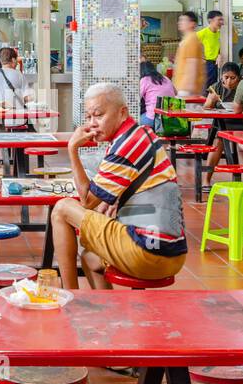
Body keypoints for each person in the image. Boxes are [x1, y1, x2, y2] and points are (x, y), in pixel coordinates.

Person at [50, 83, 186, 291]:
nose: (93, 124)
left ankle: (70, 297)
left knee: (61, 209)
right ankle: (106, 311)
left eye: (99, 115)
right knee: (91, 257)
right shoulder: (143, 134)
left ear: (122, 113)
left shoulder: (125, 146)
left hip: (148, 252)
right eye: (88, 118)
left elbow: (86, 201)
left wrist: (72, 149)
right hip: (173, 253)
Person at [0, 46, 33, 128]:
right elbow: (28, 98)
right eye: (16, 60)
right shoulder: (19, 74)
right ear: (13, 60)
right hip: (17, 119)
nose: (17, 62)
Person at [172, 11, 205, 96]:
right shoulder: (187, 39)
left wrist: (188, 89)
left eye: (183, 20)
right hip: (182, 87)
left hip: (187, 88)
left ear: (192, 23)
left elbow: (192, 64)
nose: (180, 23)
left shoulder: (192, 40)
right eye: (180, 20)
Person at [139, 59, 175, 127]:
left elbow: (136, 98)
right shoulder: (166, 78)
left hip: (153, 119)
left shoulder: (145, 80)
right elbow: (175, 92)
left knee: (134, 121)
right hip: (170, 118)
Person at [199, 10, 225, 90]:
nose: (222, 22)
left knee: (216, 86)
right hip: (208, 63)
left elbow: (234, 40)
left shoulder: (221, 33)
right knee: (209, 86)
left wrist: (219, 54)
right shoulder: (203, 33)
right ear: (210, 20)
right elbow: (189, 45)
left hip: (218, 63)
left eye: (222, 20)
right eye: (219, 19)